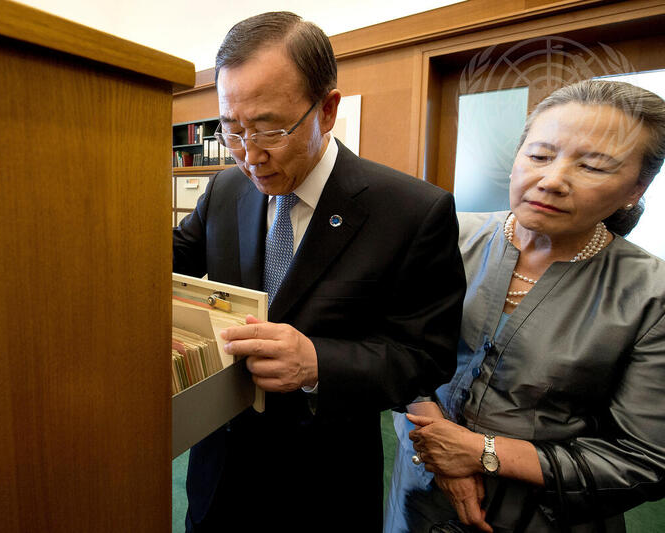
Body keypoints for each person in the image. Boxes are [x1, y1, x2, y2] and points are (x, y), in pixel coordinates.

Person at [173, 11, 466, 533]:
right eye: (232, 129)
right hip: (219, 472)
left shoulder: (412, 211)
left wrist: (317, 363)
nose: (249, 155)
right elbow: (171, 262)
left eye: (269, 129)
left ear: (327, 110)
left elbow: (426, 357)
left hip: (324, 483)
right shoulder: (226, 189)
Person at [384, 79, 665, 533]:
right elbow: (396, 349)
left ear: (637, 188)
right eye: (539, 156)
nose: (551, 181)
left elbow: (644, 458)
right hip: (419, 487)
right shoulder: (445, 234)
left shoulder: (652, 293)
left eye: (592, 166)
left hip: (544, 512)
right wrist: (441, 450)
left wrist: (479, 454)